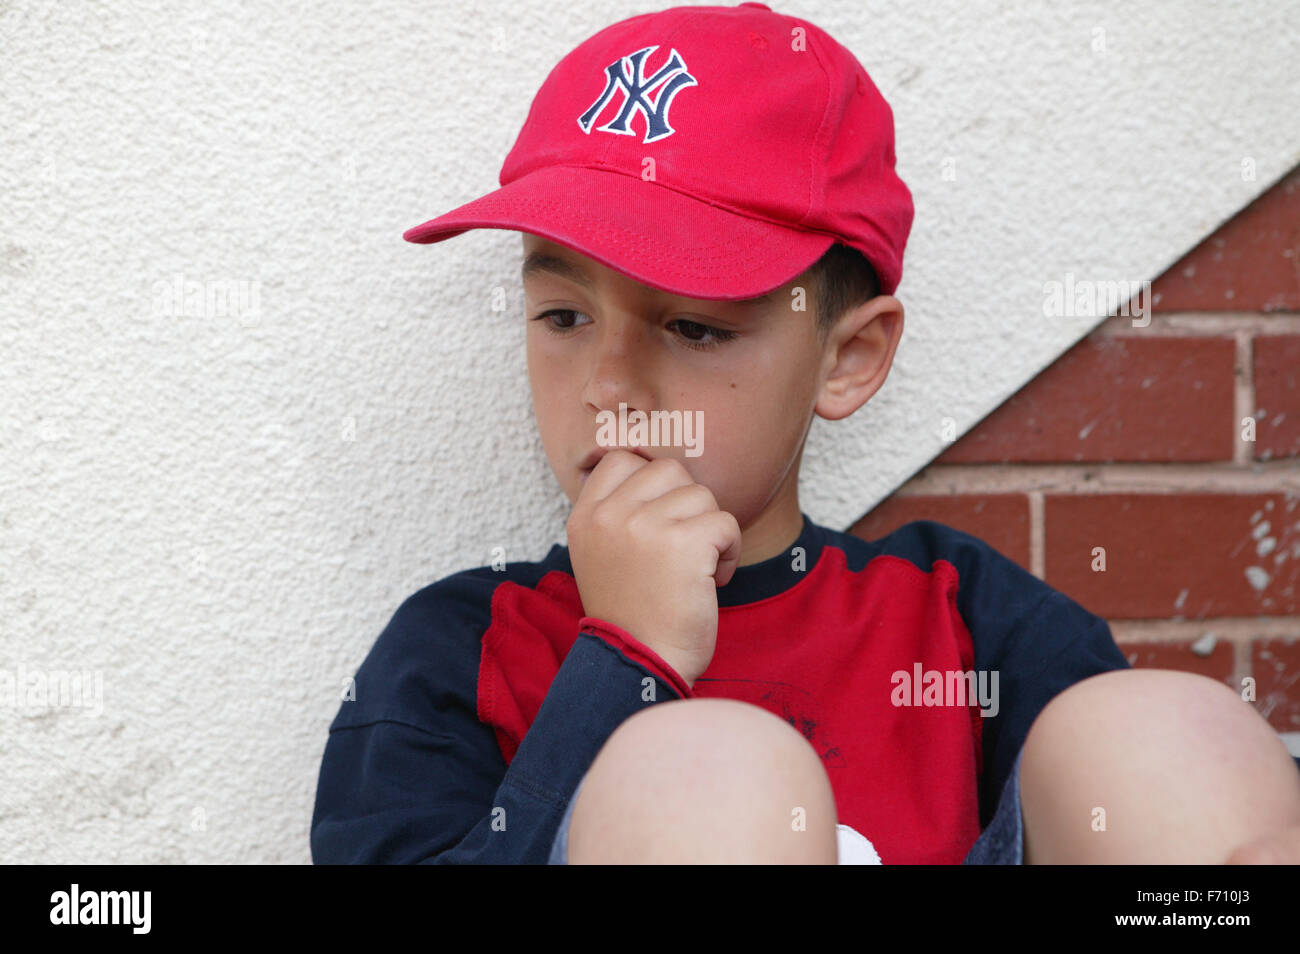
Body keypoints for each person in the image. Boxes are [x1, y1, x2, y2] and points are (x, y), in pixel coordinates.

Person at [310, 2, 1300, 864]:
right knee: (710, 770)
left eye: (692, 326)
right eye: (564, 317)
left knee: (1160, 733)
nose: (609, 384)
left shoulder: (954, 619)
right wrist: (623, 663)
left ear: (845, 359)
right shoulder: (462, 648)